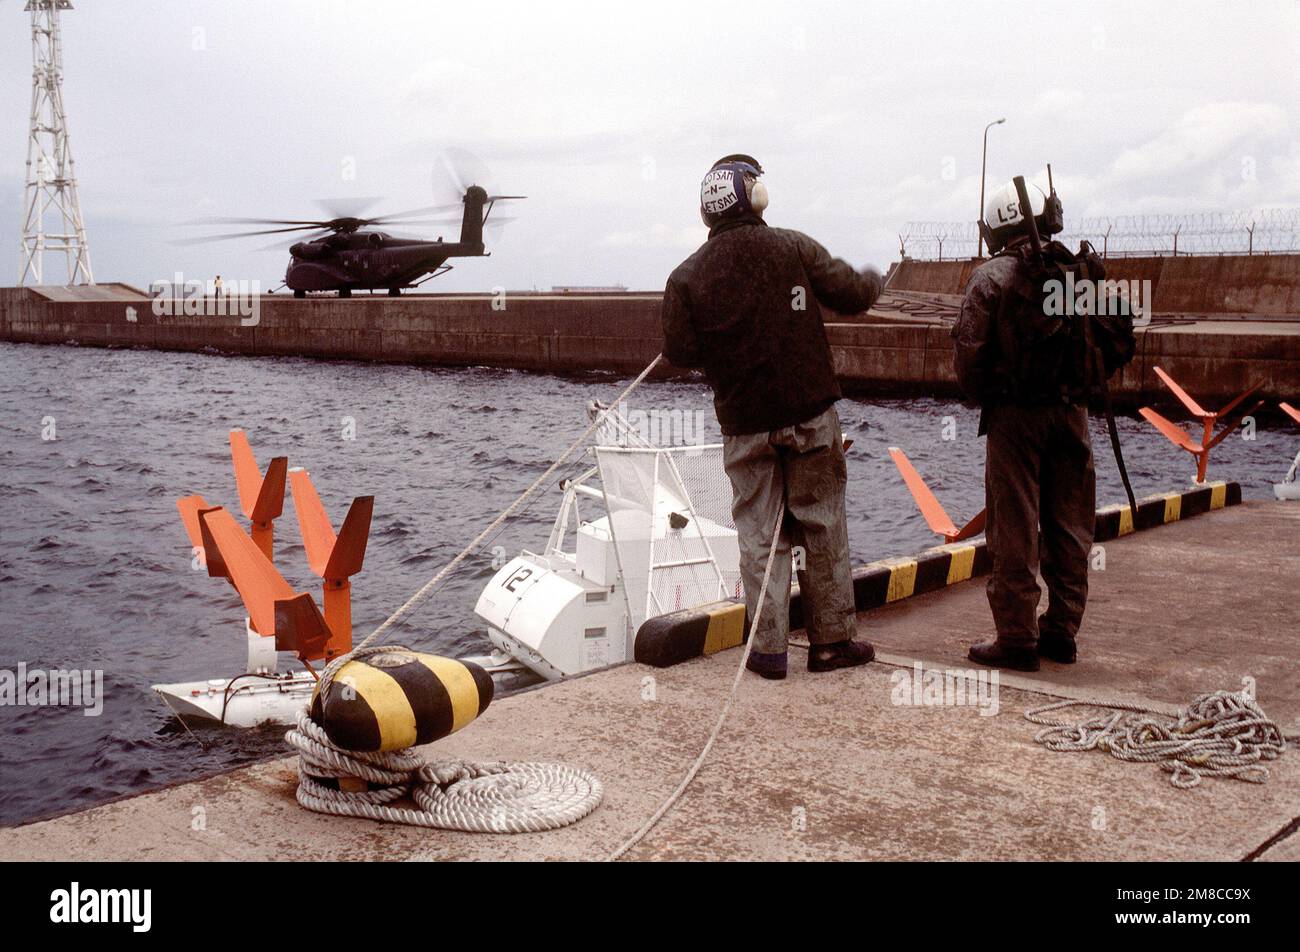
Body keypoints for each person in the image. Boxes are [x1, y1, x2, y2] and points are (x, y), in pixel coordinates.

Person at [661, 154, 882, 680]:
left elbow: (680, 350)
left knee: (759, 535)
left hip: (744, 424)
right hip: (809, 415)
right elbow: (851, 293)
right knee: (822, 523)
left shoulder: (685, 276)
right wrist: (874, 279)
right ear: (756, 198)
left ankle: (768, 651)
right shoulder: (793, 246)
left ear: (706, 212)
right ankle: (832, 643)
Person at [952, 178, 1098, 672]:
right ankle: (1062, 633)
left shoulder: (989, 277)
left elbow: (970, 356)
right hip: (1072, 411)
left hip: (1015, 416)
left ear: (996, 225)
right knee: (1071, 521)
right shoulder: (1073, 270)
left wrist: (986, 396)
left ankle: (1016, 637)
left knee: (1014, 523)